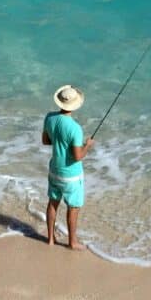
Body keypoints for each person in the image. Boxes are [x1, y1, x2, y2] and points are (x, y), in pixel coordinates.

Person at [42, 85, 92, 250]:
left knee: (52, 203)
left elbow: (46, 141)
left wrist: (60, 143)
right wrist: (88, 145)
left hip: (54, 170)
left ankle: (50, 239)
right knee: (73, 207)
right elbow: (78, 156)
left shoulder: (49, 118)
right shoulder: (75, 128)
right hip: (71, 175)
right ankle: (72, 242)